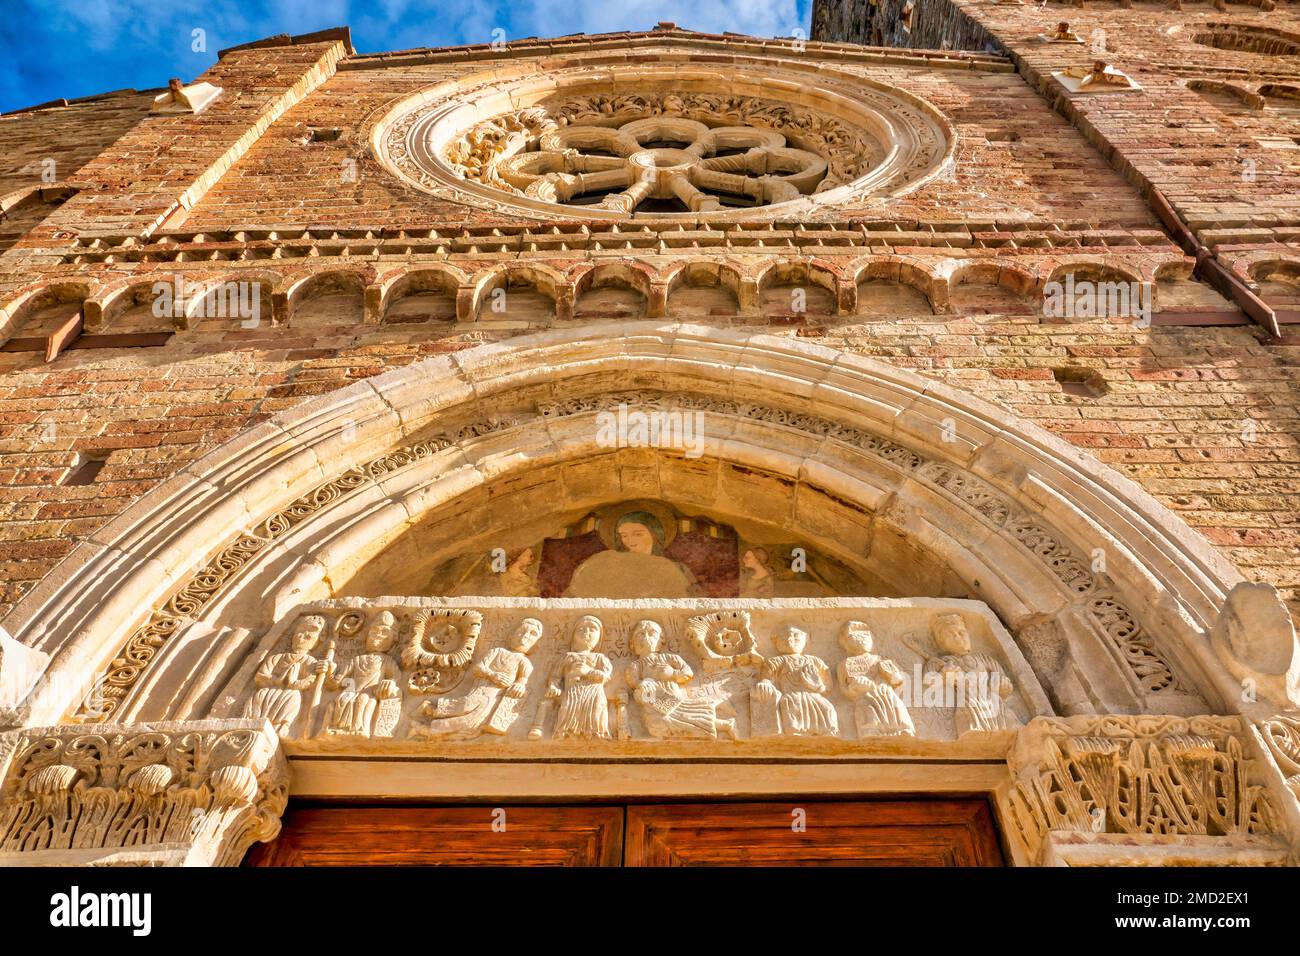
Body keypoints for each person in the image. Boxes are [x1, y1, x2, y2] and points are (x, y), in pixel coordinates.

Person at [413, 618, 543, 739]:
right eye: (521, 632)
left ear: (536, 645)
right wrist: (493, 675)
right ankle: (430, 709)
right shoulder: (497, 651)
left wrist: (518, 686)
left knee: (471, 724)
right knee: (465, 705)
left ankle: (427, 729)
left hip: (494, 699)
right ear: (511, 636)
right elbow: (478, 668)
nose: (525, 637)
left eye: (532, 634)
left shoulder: (525, 662)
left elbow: (522, 681)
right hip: (481, 689)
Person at [625, 620, 736, 739]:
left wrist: (672, 674)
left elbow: (687, 673)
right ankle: (725, 725)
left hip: (672, 696)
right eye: (640, 634)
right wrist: (642, 683)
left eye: (652, 633)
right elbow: (633, 681)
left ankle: (724, 725)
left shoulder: (669, 658)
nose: (646, 638)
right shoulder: (635, 666)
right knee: (656, 724)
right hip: (652, 700)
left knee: (669, 719)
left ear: (662, 639)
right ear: (632, 644)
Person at [923, 613, 1019, 735]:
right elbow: (928, 686)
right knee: (975, 736)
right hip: (969, 708)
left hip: (996, 708)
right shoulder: (938, 663)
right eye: (950, 635)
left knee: (1013, 732)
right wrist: (943, 676)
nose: (958, 638)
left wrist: (1003, 687)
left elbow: (1005, 684)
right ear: (940, 641)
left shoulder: (984, 659)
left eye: (961, 632)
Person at [564, 511, 696, 598]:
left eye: (637, 534)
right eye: (624, 535)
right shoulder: (603, 560)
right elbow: (575, 593)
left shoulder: (674, 569)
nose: (630, 541)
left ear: (655, 534)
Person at [318, 610, 403, 738]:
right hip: (351, 691)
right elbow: (335, 683)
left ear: (394, 639)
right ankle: (334, 729)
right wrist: (328, 671)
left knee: (364, 700)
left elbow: (396, 676)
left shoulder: (386, 660)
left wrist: (391, 682)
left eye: (384, 633)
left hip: (370, 693)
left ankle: (359, 729)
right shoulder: (357, 660)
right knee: (340, 700)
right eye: (374, 632)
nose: (378, 636)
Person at [243, 614, 328, 736]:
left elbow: (308, 681)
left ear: (320, 639)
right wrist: (282, 680)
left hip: (289, 696)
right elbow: (260, 676)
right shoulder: (276, 658)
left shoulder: (310, 662)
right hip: (266, 693)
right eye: (301, 631)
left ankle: (282, 726)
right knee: (260, 694)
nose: (304, 635)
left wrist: (293, 682)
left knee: (293, 697)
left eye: (312, 631)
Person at [837, 621, 915, 737]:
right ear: (844, 643)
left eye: (865, 636)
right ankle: (872, 732)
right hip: (864, 697)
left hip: (886, 694)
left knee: (896, 708)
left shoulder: (880, 659)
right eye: (853, 637)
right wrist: (853, 688)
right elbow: (843, 689)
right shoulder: (844, 664)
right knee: (867, 711)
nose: (860, 640)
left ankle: (902, 729)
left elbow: (898, 681)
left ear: (872, 639)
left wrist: (891, 674)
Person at [757, 626, 839, 737]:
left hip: (814, 695)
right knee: (792, 705)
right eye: (785, 639)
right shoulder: (775, 661)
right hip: (791, 695)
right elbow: (766, 678)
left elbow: (828, 686)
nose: (790, 641)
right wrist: (765, 683)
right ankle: (795, 733)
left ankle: (827, 732)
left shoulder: (815, 661)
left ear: (806, 642)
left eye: (796, 639)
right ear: (776, 643)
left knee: (828, 708)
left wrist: (818, 686)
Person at [548, 615, 614, 739]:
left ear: (599, 638)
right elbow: (555, 676)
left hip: (594, 693)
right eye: (581, 629)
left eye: (592, 629)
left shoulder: (600, 657)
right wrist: (553, 686)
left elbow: (606, 677)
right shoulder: (568, 656)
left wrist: (588, 672)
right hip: (572, 692)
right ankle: (566, 733)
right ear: (573, 636)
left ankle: (597, 734)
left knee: (595, 712)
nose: (587, 633)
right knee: (567, 709)